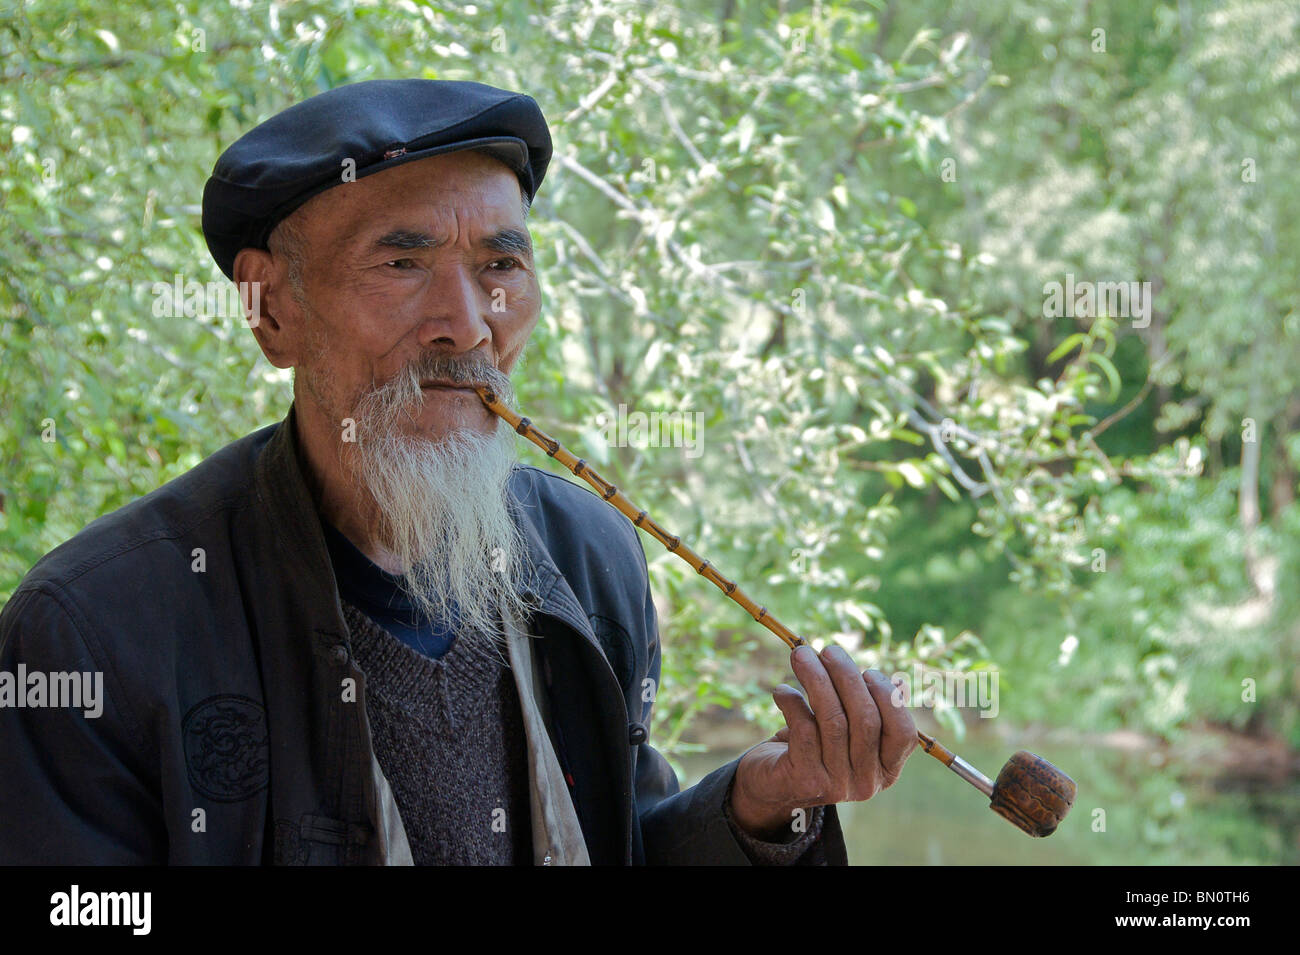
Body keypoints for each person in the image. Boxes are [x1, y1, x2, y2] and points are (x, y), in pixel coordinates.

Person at [0, 79, 915, 865]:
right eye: (402, 262)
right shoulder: (94, 629)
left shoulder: (587, 553)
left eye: (500, 263)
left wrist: (762, 800)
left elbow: (616, 839)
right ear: (272, 308)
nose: (469, 324)